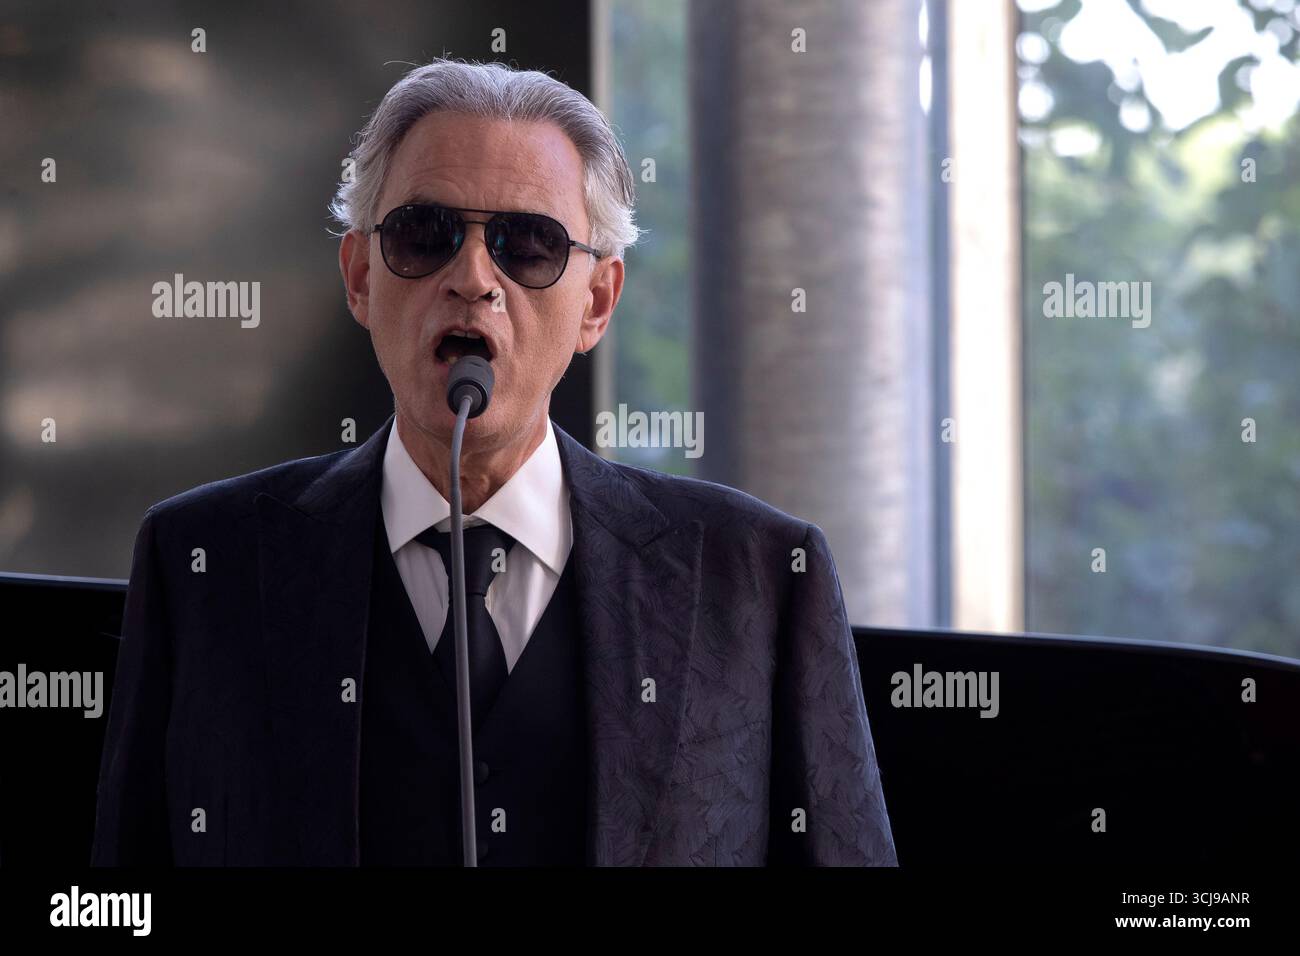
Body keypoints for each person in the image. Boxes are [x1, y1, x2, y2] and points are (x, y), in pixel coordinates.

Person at [91, 57, 897, 866]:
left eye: (530, 245)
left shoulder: (757, 577)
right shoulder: (203, 563)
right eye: (424, 235)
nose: (473, 279)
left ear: (597, 302)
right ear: (362, 277)